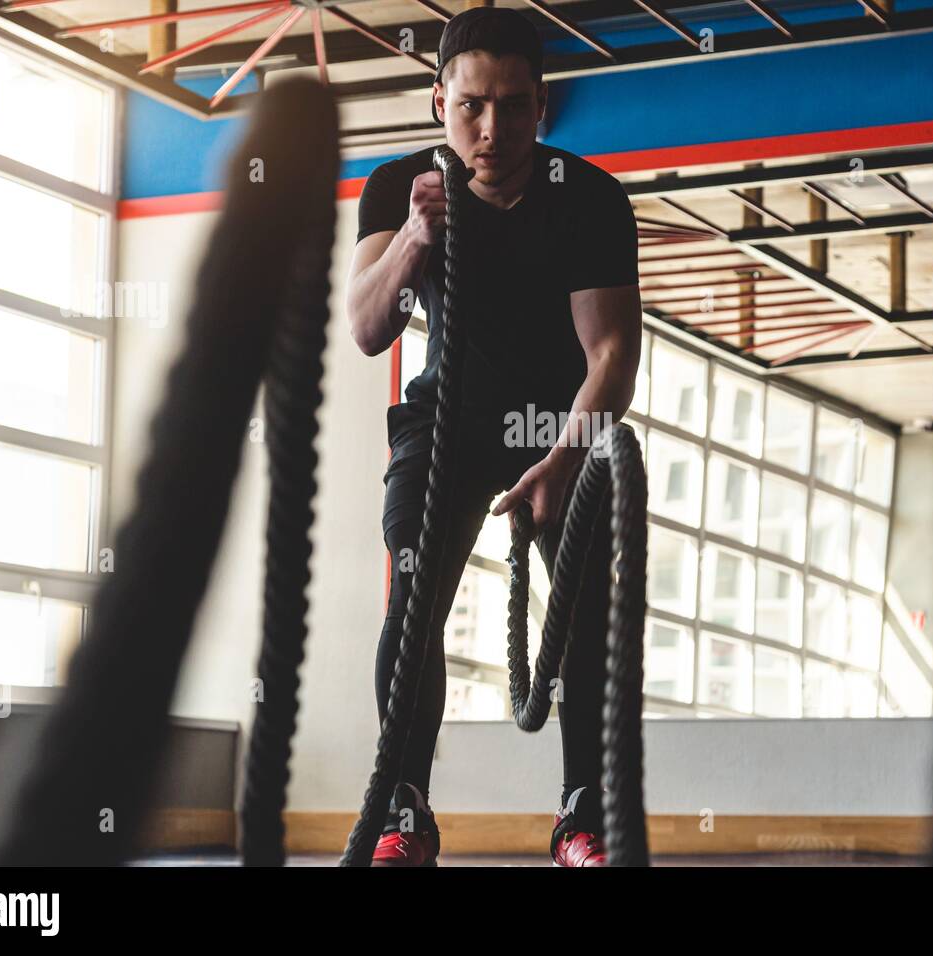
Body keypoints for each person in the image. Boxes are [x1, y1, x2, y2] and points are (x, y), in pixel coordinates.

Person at [344, 6, 642, 866]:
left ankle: (581, 814)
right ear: (439, 100)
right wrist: (413, 238)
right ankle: (405, 813)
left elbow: (613, 353)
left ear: (541, 107)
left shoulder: (588, 199)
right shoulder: (397, 186)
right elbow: (368, 329)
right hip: (447, 424)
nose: (492, 128)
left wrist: (566, 455)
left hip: (566, 419)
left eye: (514, 106)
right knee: (410, 606)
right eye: (473, 104)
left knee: (588, 618)